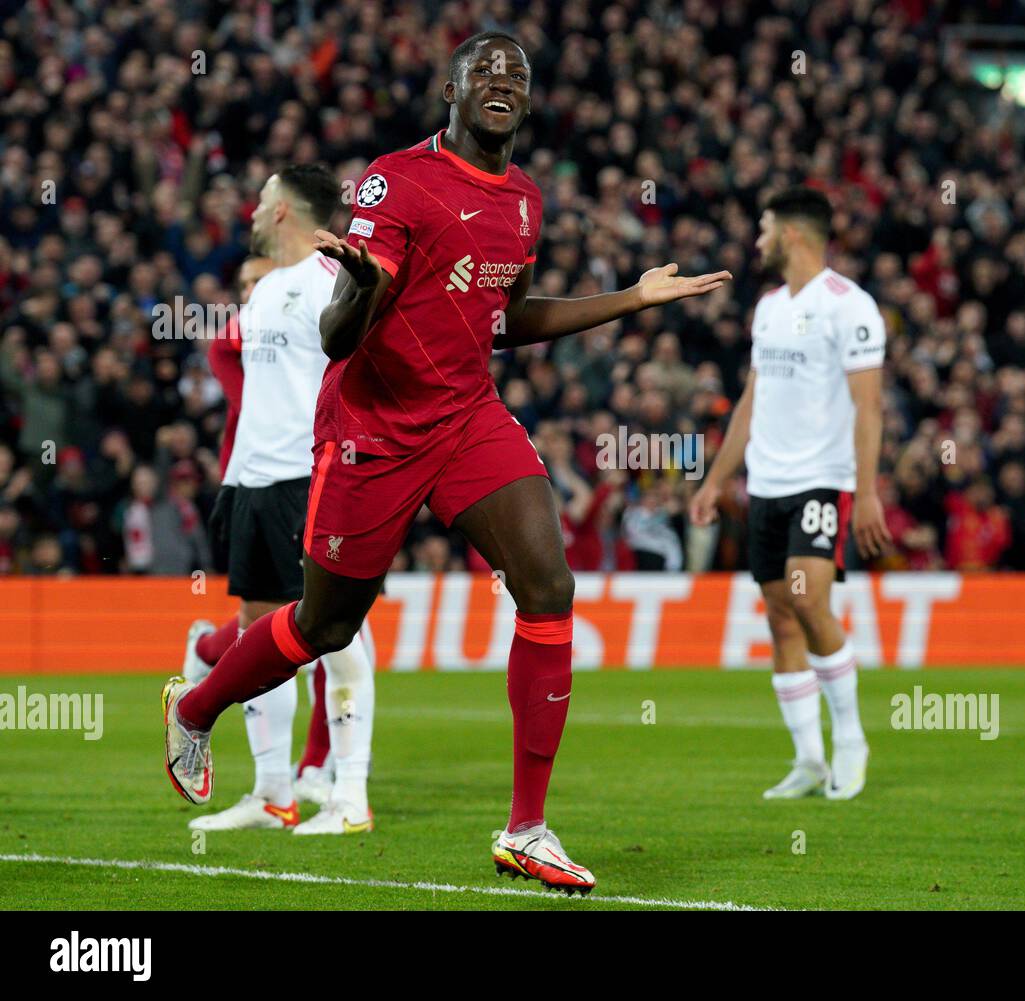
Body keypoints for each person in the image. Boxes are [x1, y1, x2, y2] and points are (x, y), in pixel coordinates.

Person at [162, 31, 730, 895]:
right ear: (453, 92)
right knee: (324, 626)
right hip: (374, 429)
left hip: (467, 415)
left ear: (527, 102)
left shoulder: (527, 201)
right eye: (485, 71)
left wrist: (633, 300)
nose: (502, 81)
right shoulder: (397, 179)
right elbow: (335, 336)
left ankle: (527, 827)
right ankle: (195, 707)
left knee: (549, 586)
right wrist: (361, 287)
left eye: (517, 74)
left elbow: (512, 318)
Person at [172, 166, 377, 836]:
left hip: (308, 481)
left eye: (263, 197)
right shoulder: (266, 291)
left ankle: (350, 795)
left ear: (285, 209)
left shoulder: (332, 281)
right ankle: (273, 791)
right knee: (263, 635)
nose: (254, 207)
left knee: (337, 632)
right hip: (251, 483)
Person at [690, 187, 889, 801]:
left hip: (821, 482)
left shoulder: (850, 307)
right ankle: (807, 757)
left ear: (793, 235)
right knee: (780, 618)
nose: (758, 240)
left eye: (765, 229)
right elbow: (753, 400)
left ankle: (850, 739)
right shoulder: (770, 307)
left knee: (808, 602)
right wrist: (717, 480)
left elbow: (869, 407)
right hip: (767, 486)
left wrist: (868, 489)